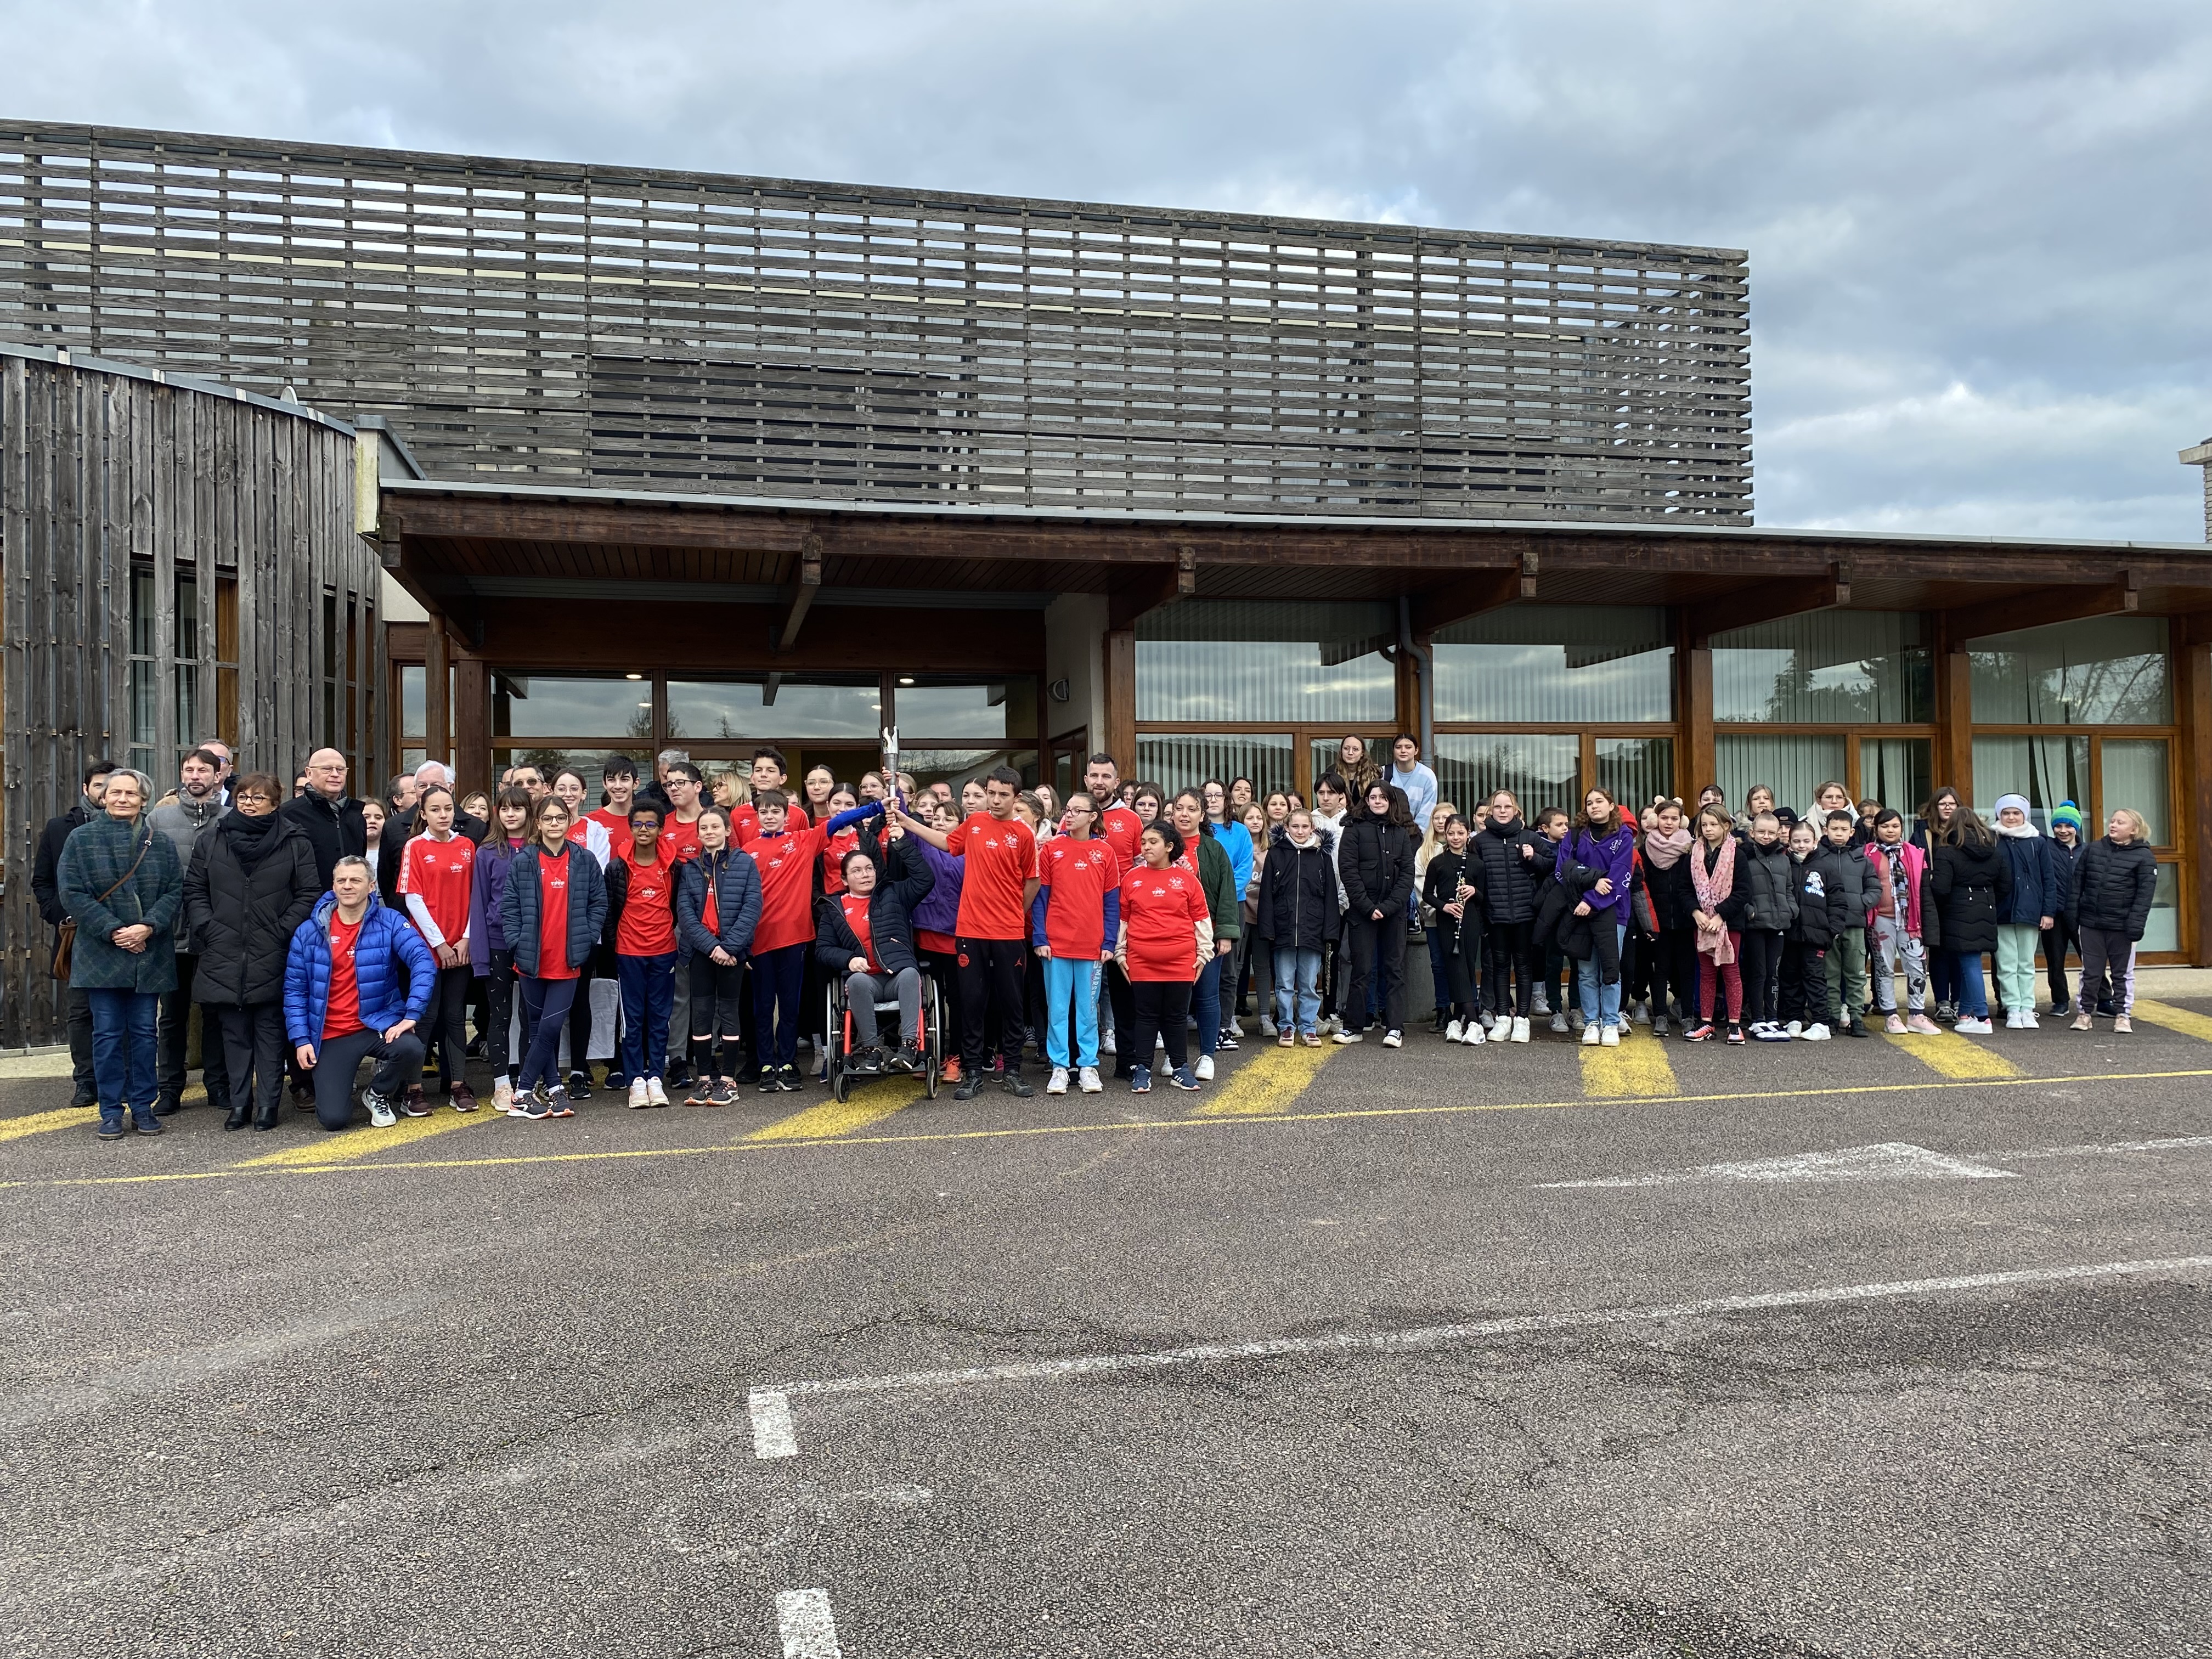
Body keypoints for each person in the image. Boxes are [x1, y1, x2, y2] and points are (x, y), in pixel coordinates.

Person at [184, 773, 321, 1131]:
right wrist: (207, 926)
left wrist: (282, 930)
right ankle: (239, 1105)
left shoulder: (295, 841)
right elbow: (195, 888)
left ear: (275, 804)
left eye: (258, 798)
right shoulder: (213, 838)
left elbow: (309, 893)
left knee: (271, 1035)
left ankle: (267, 1107)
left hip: (274, 950)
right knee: (234, 1035)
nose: (248, 802)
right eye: (243, 796)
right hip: (224, 948)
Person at [895, 767, 1041, 1099]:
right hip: (970, 931)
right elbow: (947, 843)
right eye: (992, 793)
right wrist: (907, 822)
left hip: (1007, 933)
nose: (996, 800)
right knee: (971, 1002)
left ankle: (1013, 1072)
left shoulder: (1022, 834)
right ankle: (973, 1072)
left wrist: (1016, 913)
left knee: (1011, 1003)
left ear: (1016, 797)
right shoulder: (973, 824)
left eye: (1004, 795)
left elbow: (1032, 880)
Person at [58, 769, 182, 1139]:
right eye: (116, 792)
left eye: (131, 793)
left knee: (145, 1033)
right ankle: (111, 1110)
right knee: (107, 1035)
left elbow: (174, 891)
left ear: (144, 800)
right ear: (104, 797)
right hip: (100, 952)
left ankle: (143, 1106)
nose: (123, 798)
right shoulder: (80, 840)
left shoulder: (158, 842)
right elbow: (73, 894)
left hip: (149, 951)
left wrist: (147, 926)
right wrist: (114, 930)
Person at [284, 855, 434, 1131]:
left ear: (371, 886)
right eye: (341, 880)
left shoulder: (390, 921)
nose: (348, 886)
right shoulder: (309, 931)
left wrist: (412, 1015)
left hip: (376, 1024)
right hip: (331, 1034)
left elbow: (423, 961)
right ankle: (343, 1092)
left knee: (412, 1047)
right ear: (333, 885)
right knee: (334, 1120)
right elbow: (295, 990)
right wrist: (301, 1039)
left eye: (356, 880)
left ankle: (377, 1093)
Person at [742, 788, 878, 1091]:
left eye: (776, 811)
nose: (770, 817)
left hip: (795, 938)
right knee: (763, 1007)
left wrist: (875, 808)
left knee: (790, 1005)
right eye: (763, 812)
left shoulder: (802, 841)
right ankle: (767, 1064)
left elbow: (838, 821)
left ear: (787, 815)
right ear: (757, 816)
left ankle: (789, 1063)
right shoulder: (747, 850)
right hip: (759, 939)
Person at [500, 797, 610, 1118]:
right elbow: (509, 908)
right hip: (532, 959)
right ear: (538, 823)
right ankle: (555, 1088)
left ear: (568, 821)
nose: (554, 824)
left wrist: (587, 939)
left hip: (568, 959)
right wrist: (517, 943)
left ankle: (522, 1092)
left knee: (550, 1028)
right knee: (537, 1027)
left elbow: (598, 904)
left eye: (560, 818)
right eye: (547, 819)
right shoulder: (524, 861)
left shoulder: (584, 859)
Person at [148, 747, 232, 1118]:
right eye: (188, 769)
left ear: (218, 776)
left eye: (203, 770)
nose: (195, 776)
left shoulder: (231, 819)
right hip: (171, 934)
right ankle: (169, 1088)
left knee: (216, 1012)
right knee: (173, 1016)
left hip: (217, 933)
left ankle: (217, 1084)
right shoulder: (159, 818)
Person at [816, 823, 937, 1078]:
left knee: (910, 974)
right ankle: (871, 1050)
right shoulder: (833, 907)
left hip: (896, 977)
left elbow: (925, 879)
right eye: (857, 871)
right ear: (844, 878)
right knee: (857, 981)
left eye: (869, 868)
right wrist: (848, 960)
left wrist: (902, 843)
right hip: (866, 979)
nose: (865, 874)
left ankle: (908, 1048)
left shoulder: (894, 893)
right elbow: (823, 949)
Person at [34, 759, 113, 1106]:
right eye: (99, 786)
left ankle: (120, 1078)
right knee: (81, 1012)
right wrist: (65, 917)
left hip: (120, 934)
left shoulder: (138, 828)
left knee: (122, 1010)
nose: (106, 793)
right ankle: (86, 1080)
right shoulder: (58, 828)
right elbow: (43, 882)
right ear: (86, 789)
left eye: (113, 786)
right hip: (77, 934)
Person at [1031, 792, 1121, 1095]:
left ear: (1092, 816)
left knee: (1087, 1008)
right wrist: (1040, 937)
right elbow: (1040, 898)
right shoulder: (1052, 849)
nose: (1069, 815)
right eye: (1067, 810)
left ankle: (1088, 1066)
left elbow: (1112, 902)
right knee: (1057, 1008)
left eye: (1077, 811)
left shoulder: (1104, 852)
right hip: (1055, 945)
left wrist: (1109, 941)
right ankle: (1060, 1066)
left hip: (1092, 945)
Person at [397, 782, 479, 1113]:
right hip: (429, 948)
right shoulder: (415, 847)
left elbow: (477, 896)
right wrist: (439, 943)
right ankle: (413, 1089)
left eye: (448, 809)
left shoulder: (468, 846)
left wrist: (467, 939)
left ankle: (458, 1084)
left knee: (456, 1016)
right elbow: (413, 898)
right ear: (423, 813)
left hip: (461, 947)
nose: (443, 815)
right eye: (435, 810)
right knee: (425, 1017)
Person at [674, 806, 763, 1102]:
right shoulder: (690, 868)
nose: (709, 832)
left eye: (715, 827)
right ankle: (704, 1078)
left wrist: (730, 947)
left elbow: (752, 909)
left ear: (727, 831)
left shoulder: (744, 864)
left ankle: (727, 1079)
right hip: (702, 952)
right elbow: (685, 915)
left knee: (728, 1013)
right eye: (704, 828)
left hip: (733, 952)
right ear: (698, 834)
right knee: (700, 1015)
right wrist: (712, 948)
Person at [1115, 820, 1212, 1092]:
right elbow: (1123, 921)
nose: (1146, 847)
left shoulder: (1187, 880)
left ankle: (1180, 1068)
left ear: (1170, 847)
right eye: (1144, 842)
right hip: (1141, 961)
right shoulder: (1131, 878)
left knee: (1176, 1016)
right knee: (1145, 1016)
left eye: (1153, 842)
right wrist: (1121, 955)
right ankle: (1142, 1069)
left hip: (1181, 962)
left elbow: (1201, 921)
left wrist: (1203, 955)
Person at [602, 801, 685, 1107]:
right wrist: (616, 946)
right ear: (630, 828)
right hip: (628, 953)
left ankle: (655, 1078)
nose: (644, 830)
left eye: (651, 825)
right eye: (638, 825)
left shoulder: (674, 867)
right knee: (633, 1018)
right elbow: (610, 912)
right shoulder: (617, 867)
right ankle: (635, 1078)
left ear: (661, 829)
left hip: (664, 952)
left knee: (660, 1017)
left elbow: (677, 911)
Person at [1165, 788, 1241, 1079]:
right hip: (1170, 935)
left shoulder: (1213, 849)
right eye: (1180, 809)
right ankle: (1176, 1057)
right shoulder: (1160, 845)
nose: (1185, 815)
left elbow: (1226, 894)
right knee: (1175, 999)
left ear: (1202, 813)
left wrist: (1224, 933)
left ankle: (1207, 1055)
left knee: (1208, 996)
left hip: (1204, 934)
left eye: (1192, 809)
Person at [467, 788, 535, 1110]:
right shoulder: (487, 853)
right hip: (497, 944)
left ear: (528, 812)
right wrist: (480, 958)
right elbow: (478, 906)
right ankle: (501, 1084)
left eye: (518, 809)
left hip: (534, 945)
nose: (511, 815)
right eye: (505, 809)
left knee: (530, 1014)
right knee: (500, 1014)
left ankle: (527, 1081)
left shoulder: (540, 849)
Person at [1334, 781, 1415, 1047]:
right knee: (1361, 969)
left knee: (1394, 970)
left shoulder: (1401, 833)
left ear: (1391, 801)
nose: (1378, 801)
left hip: (1394, 912)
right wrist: (1369, 907)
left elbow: (1407, 876)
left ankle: (1394, 1028)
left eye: (1383, 797)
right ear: (1366, 801)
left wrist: (1388, 907)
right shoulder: (1353, 829)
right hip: (1362, 912)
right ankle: (1354, 1027)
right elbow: (1349, 871)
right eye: (1373, 797)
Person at [2069, 808, 2157, 1034]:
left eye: (2120, 822)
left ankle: (2123, 1016)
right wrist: (2073, 915)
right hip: (2091, 923)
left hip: (2123, 926)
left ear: (2134, 830)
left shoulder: (2144, 856)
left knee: (2122, 974)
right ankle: (2084, 1014)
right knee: (2090, 972)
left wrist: (2136, 925)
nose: (2113, 825)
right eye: (2113, 821)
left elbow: (2144, 896)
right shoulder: (2094, 849)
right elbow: (2077, 883)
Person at [1561, 788, 1637, 1043]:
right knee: (1586, 971)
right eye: (1589, 803)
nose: (1594, 806)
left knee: (1610, 968)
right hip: (1580, 911)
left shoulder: (1624, 835)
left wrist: (1592, 901)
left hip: (1614, 912)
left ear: (1611, 805)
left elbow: (1619, 876)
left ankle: (1611, 1023)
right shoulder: (1574, 835)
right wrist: (1590, 889)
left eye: (1600, 802)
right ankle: (1592, 1022)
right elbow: (1564, 871)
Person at [1259, 808, 1338, 1047]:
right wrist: (1267, 927)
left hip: (1312, 928)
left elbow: (1330, 896)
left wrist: (1330, 930)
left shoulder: (1322, 856)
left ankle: (1308, 1027)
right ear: (1287, 828)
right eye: (1295, 827)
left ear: (1312, 828)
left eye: (1305, 827)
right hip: (1283, 927)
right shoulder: (1276, 854)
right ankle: (1286, 1026)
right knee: (1284, 983)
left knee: (1308, 983)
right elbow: (1267, 895)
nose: (1300, 831)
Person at [1928, 804, 2010, 1035]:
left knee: (1970, 963)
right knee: (1969, 961)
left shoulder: (1946, 851)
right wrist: (1988, 900)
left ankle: (1982, 1017)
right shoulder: (1994, 851)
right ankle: (1965, 1014)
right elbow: (2006, 885)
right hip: (1986, 908)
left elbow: (1941, 889)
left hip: (1957, 911)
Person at [1469, 790, 1541, 1041]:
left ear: (1516, 810)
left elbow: (1551, 866)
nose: (1502, 811)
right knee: (1499, 967)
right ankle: (1502, 1018)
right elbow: (1474, 879)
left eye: (1507, 806)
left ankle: (1522, 1019)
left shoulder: (1529, 836)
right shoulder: (1479, 841)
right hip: (1495, 914)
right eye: (1497, 807)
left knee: (1522, 966)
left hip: (1524, 914)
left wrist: (1535, 857)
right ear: (1489, 812)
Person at [1865, 808, 1939, 1035]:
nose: (1890, 830)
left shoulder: (1915, 854)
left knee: (1916, 966)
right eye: (1885, 826)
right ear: (1876, 829)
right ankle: (1891, 1015)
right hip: (1880, 920)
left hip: (1910, 921)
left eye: (1895, 826)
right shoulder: (1866, 854)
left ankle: (1917, 1014)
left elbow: (1924, 891)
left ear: (1902, 828)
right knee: (1884, 968)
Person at [1990, 793, 2060, 1029]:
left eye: (2016, 813)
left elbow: (2049, 880)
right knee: (2007, 964)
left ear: (2025, 815)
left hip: (2031, 911)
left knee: (2027, 964)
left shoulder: (2038, 841)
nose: (2011, 817)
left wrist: (2048, 912)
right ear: (1999, 814)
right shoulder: (1992, 839)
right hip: (2002, 911)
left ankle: (2028, 1009)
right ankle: (2012, 1008)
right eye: (2006, 813)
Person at [1681, 804, 1746, 1043]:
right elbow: (1684, 889)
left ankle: (1735, 1025)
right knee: (1707, 973)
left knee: (1731, 972)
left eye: (1714, 825)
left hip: (1729, 923)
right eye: (1704, 825)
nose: (1708, 829)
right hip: (1702, 924)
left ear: (1726, 826)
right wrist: (1696, 913)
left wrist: (1720, 915)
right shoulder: (1693, 854)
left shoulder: (1737, 853)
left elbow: (1743, 891)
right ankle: (1706, 1023)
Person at [1811, 810, 1875, 1038]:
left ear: (1852, 832)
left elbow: (1875, 889)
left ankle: (1856, 1017)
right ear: (1825, 830)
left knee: (1856, 973)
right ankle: (1832, 1017)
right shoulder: (1817, 857)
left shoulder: (1861, 859)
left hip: (1855, 924)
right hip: (1828, 926)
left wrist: (1860, 903)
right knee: (1830, 973)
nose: (1839, 834)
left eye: (1844, 830)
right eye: (1834, 829)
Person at [1420, 814, 1484, 1042]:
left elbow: (1485, 896)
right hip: (1447, 922)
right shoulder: (1437, 862)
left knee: (1466, 969)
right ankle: (1474, 1022)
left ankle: (1457, 1022)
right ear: (1444, 835)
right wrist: (1444, 906)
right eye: (1451, 833)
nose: (1456, 838)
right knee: (1455, 969)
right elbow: (1428, 894)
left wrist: (1475, 892)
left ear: (1468, 834)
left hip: (1471, 922)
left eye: (1460, 833)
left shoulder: (1477, 862)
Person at [1734, 812, 1798, 1039]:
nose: (1766, 836)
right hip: (1755, 925)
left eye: (1771, 832)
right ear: (1752, 832)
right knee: (1757, 972)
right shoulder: (1743, 856)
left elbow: (1789, 888)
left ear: (1779, 833)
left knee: (1774, 972)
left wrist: (1792, 909)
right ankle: (1758, 1019)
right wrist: (1749, 911)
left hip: (1779, 923)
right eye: (1761, 832)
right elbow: (1737, 889)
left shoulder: (1784, 857)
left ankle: (1772, 1018)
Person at [1640, 801, 1695, 1038]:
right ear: (1656, 820)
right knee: (1660, 969)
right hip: (1658, 919)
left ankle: (1688, 1014)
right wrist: (1648, 921)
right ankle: (1660, 1014)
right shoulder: (1646, 850)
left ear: (1681, 820)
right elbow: (1643, 888)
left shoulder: (1690, 849)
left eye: (1674, 818)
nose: (1669, 823)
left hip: (1685, 919)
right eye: (1664, 818)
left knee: (1686, 968)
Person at [281, 747, 368, 888]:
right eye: (327, 769)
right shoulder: (288, 814)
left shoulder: (355, 814)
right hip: (306, 903)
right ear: (309, 773)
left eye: (341, 770)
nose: (335, 774)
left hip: (351, 903)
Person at [1780, 820, 1833, 1038]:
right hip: (1790, 932)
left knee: (1814, 977)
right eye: (1796, 841)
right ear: (1790, 843)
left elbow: (1838, 899)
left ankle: (1822, 1023)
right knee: (1790, 975)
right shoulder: (1785, 865)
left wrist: (1833, 928)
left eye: (1806, 841)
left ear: (1815, 841)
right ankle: (1794, 1018)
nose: (1801, 845)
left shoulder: (1825, 866)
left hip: (1816, 934)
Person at [1414, 800, 1459, 1033]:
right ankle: (1443, 1010)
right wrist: (1438, 908)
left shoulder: (1464, 846)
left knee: (1462, 964)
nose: (1441, 822)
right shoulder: (1425, 851)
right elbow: (1420, 887)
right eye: (1437, 818)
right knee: (1439, 965)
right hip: (1434, 919)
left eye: (1446, 818)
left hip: (1461, 918)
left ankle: (1464, 1009)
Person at [2043, 802, 2084, 1018]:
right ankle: (2060, 1001)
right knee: (2055, 960)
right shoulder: (2046, 847)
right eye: (2058, 826)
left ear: (2077, 827)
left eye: (2069, 826)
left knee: (2090, 960)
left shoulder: (2087, 851)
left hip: (2080, 915)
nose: (2063, 831)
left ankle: (2104, 999)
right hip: (2055, 913)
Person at [1389, 735, 1439, 832]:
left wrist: (1417, 837)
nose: (1403, 751)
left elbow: (1427, 813)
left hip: (1416, 836)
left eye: (1408, 747)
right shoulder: (1383, 773)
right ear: (1393, 750)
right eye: (1398, 747)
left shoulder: (1428, 776)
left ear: (1416, 751)